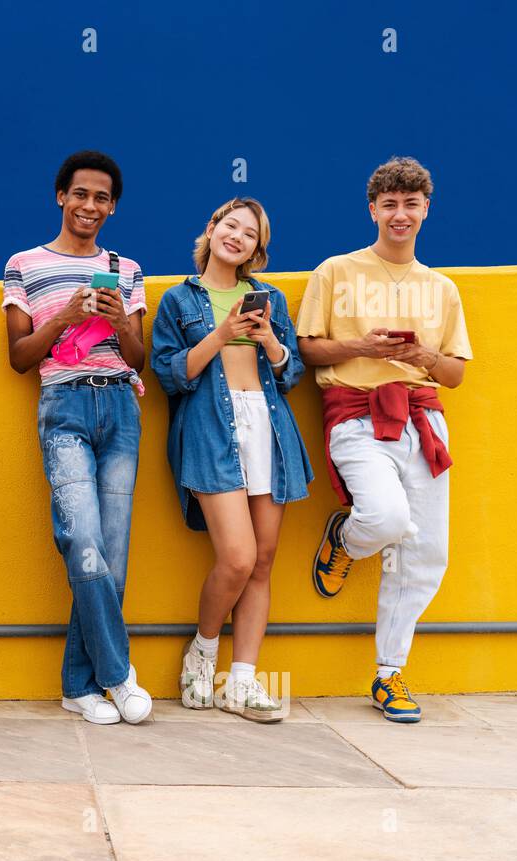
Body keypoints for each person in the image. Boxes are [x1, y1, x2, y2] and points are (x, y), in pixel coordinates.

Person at [297, 157, 472, 723]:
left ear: (426, 209)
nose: (401, 214)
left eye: (411, 203)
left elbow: (455, 373)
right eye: (390, 204)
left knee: (427, 554)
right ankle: (347, 538)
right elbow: (308, 349)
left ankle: (389, 675)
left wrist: (421, 355)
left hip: (422, 421)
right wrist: (362, 348)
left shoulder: (441, 288)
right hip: (356, 416)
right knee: (389, 520)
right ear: (372, 209)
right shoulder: (336, 271)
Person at [3, 150, 153, 725]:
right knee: (82, 538)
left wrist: (118, 321)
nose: (90, 205)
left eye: (101, 198)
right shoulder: (24, 264)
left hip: (120, 405)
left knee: (112, 554)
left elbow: (139, 358)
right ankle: (119, 675)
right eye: (80, 194)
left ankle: (77, 686)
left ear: (112, 207)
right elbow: (19, 358)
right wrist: (64, 316)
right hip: (63, 405)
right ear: (60, 197)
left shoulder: (127, 269)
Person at [151, 198, 313, 722]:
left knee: (263, 561)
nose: (237, 236)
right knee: (238, 557)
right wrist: (220, 335)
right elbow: (170, 375)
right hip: (210, 430)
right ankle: (202, 652)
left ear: (257, 250)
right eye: (230, 225)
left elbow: (291, 376)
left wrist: (270, 342)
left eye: (250, 233)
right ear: (212, 229)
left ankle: (242, 682)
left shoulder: (270, 300)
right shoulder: (180, 300)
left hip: (266, 427)